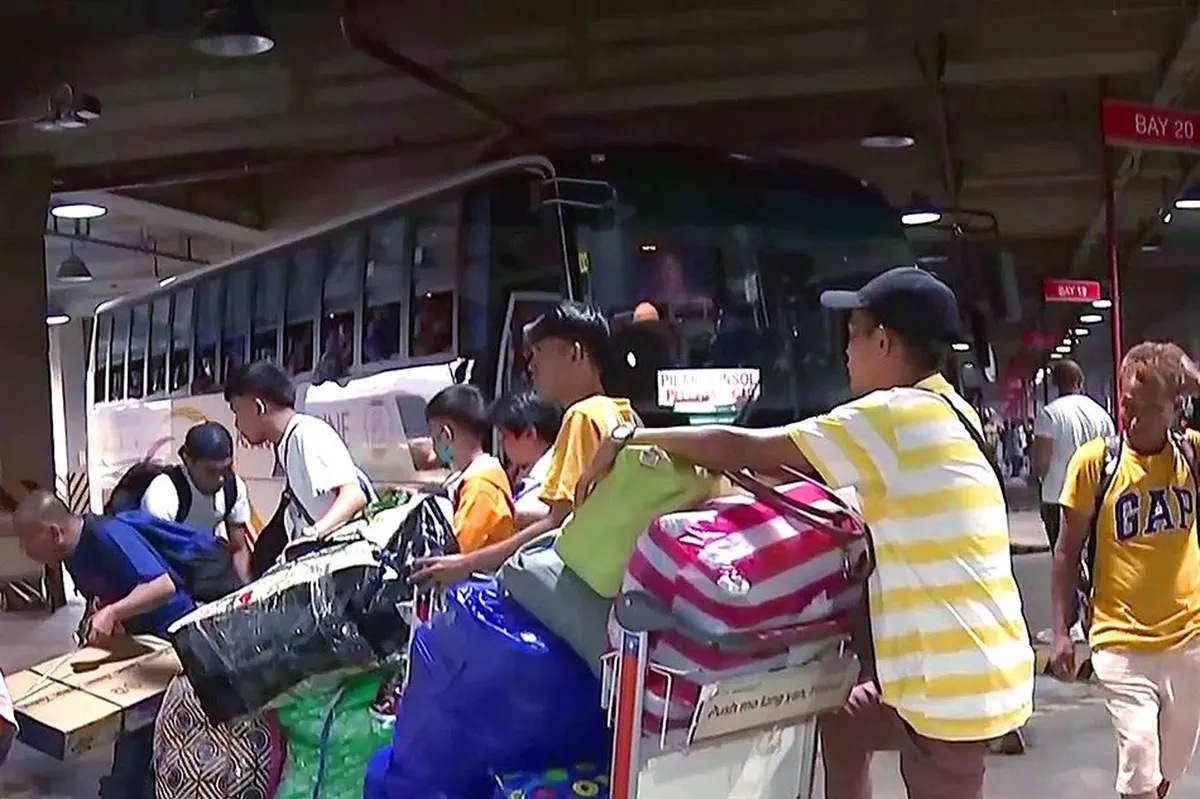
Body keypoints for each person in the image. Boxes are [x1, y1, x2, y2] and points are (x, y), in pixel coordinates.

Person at [575, 266, 1034, 799]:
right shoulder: (949, 409)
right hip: (958, 670)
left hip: (951, 689)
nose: (845, 351)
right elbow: (792, 474)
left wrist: (631, 437)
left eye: (853, 334)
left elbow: (753, 449)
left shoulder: (895, 415)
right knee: (843, 720)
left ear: (883, 341)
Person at [1051, 342, 1200, 799]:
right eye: (1127, 405)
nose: (1133, 418)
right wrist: (1061, 630)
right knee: (1139, 755)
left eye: (1149, 409)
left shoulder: (1193, 456)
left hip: (1189, 635)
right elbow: (1065, 551)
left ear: (1176, 408)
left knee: (1171, 760)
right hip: (1119, 639)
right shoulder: (1096, 463)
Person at [412, 301, 636, 584]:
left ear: (575, 353)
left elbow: (557, 522)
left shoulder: (582, 416)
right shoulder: (619, 412)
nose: (531, 365)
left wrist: (466, 563)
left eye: (539, 352)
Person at [14, 489, 195, 799]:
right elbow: (98, 593)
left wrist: (113, 612)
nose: (22, 548)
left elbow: (162, 585)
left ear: (53, 532)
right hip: (138, 642)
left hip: (173, 640)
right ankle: (124, 786)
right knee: (134, 732)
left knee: (150, 734)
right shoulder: (69, 554)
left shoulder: (109, 535)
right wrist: (95, 616)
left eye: (26, 540)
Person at [223, 361, 368, 546]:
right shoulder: (288, 442)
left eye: (238, 412)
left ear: (257, 407)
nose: (236, 424)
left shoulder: (306, 433)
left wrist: (314, 535)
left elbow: (354, 495)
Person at [139, 421, 253, 584]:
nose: (220, 479)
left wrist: (246, 594)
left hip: (204, 571)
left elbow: (239, 549)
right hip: (167, 574)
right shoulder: (164, 492)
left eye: (226, 469)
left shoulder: (232, 487)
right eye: (211, 471)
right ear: (187, 461)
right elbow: (151, 558)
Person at [1032, 359, 1115, 550]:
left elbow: (1041, 462)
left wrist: (1036, 475)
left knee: (1063, 554)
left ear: (1054, 383)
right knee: (1096, 552)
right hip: (1094, 496)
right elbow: (1111, 457)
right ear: (1081, 381)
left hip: (1057, 497)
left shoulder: (1048, 414)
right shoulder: (1101, 414)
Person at [426, 384, 516, 553]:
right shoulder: (481, 474)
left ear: (446, 435)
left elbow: (456, 549)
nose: (434, 445)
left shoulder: (479, 486)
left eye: (433, 436)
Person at [490, 391, 563, 526]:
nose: (501, 441)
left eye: (505, 435)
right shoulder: (520, 472)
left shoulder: (553, 478)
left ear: (530, 434)